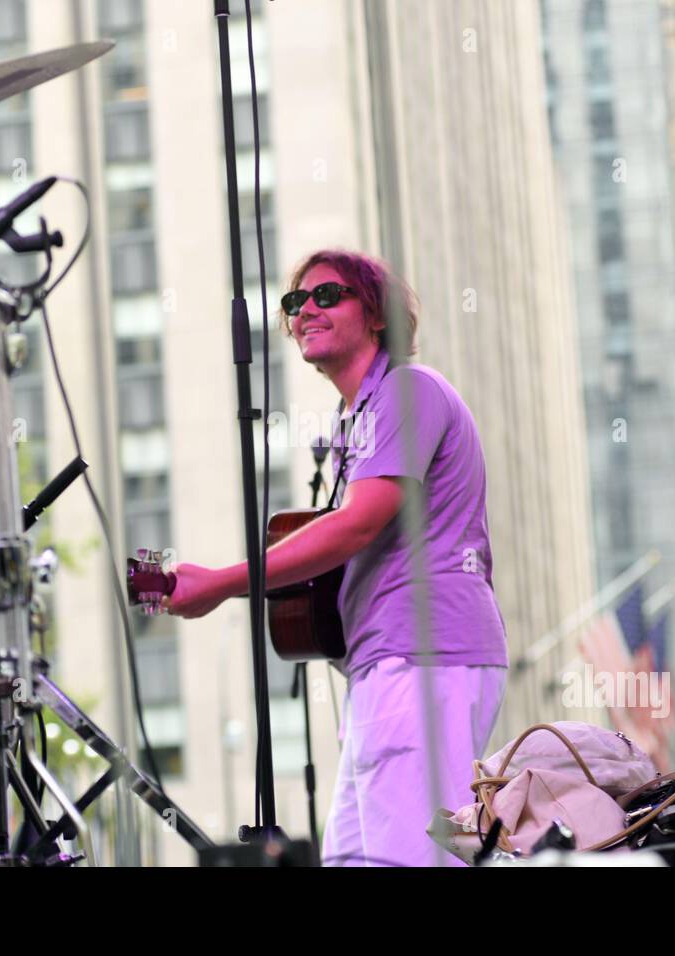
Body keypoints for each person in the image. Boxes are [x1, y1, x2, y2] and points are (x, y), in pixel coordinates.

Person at [163, 249, 507, 866]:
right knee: (353, 859)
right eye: (296, 303)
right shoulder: (361, 417)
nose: (306, 311)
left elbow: (357, 525)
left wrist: (221, 582)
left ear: (376, 315)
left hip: (422, 658)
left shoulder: (407, 390)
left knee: (406, 861)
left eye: (328, 296)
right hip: (390, 667)